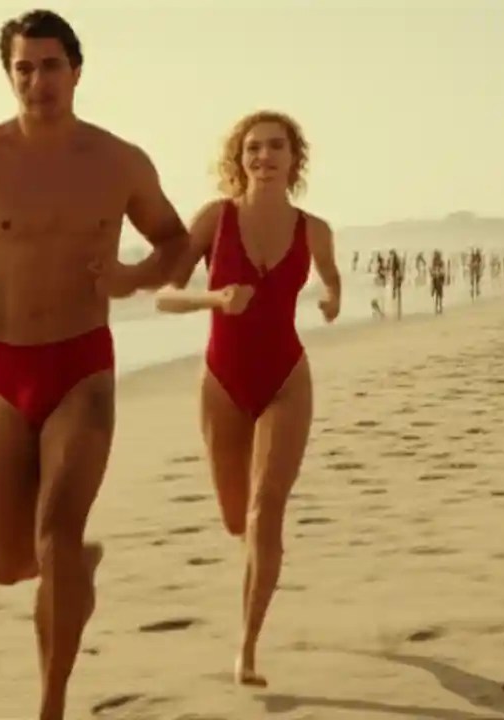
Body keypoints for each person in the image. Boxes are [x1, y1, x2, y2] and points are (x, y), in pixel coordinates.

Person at [0, 10, 189, 720]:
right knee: (8, 563)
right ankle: (75, 569)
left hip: (82, 367)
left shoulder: (118, 161)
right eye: (23, 69)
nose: (37, 81)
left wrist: (131, 279)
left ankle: (51, 703)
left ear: (77, 71)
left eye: (51, 65)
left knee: (55, 533)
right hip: (4, 373)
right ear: (9, 76)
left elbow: (176, 242)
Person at [153, 110, 341, 687]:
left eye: (276, 147)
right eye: (253, 148)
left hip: (286, 378)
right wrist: (215, 301)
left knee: (266, 512)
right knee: (238, 516)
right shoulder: (215, 219)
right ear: (239, 158)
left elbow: (332, 279)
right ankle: (257, 564)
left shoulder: (315, 229)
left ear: (294, 158)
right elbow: (164, 294)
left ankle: (248, 647)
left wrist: (331, 300)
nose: (264, 157)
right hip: (223, 383)